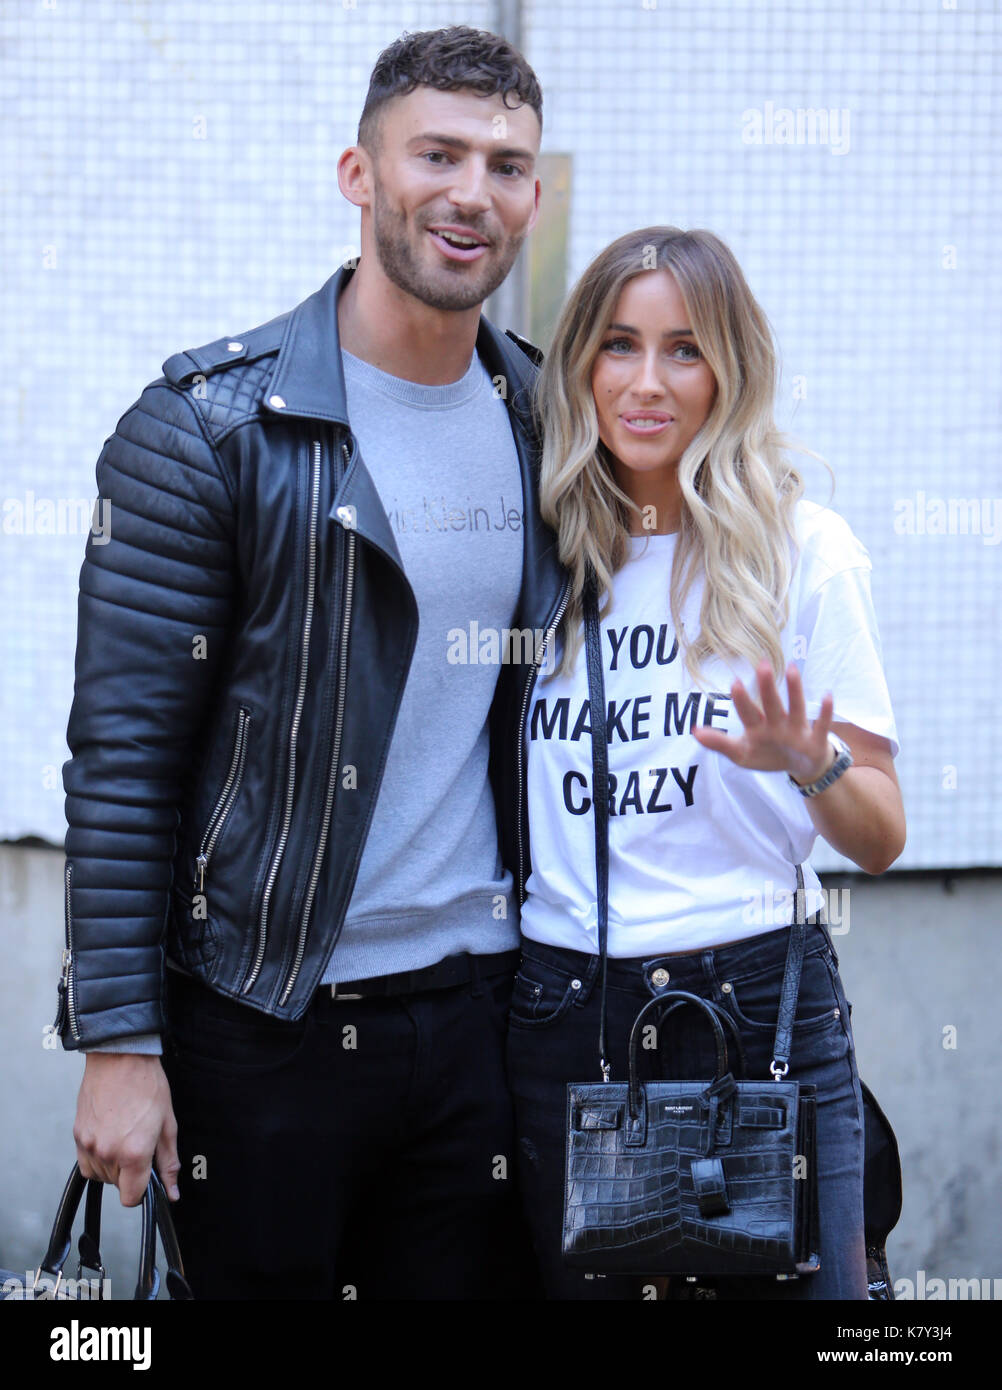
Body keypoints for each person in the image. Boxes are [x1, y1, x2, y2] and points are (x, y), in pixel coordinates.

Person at [57, 25, 565, 1299]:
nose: (470, 193)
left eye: (505, 165)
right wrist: (119, 1038)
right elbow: (123, 759)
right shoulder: (208, 432)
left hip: (483, 1012)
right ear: (358, 173)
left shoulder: (546, 421)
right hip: (263, 1021)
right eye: (435, 153)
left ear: (535, 199)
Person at [506, 226, 906, 1300]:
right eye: (619, 346)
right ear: (580, 361)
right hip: (566, 1008)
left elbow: (881, 836)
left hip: (760, 998)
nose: (647, 382)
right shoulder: (537, 555)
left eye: (685, 349)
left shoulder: (801, 551)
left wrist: (808, 759)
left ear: (730, 369)